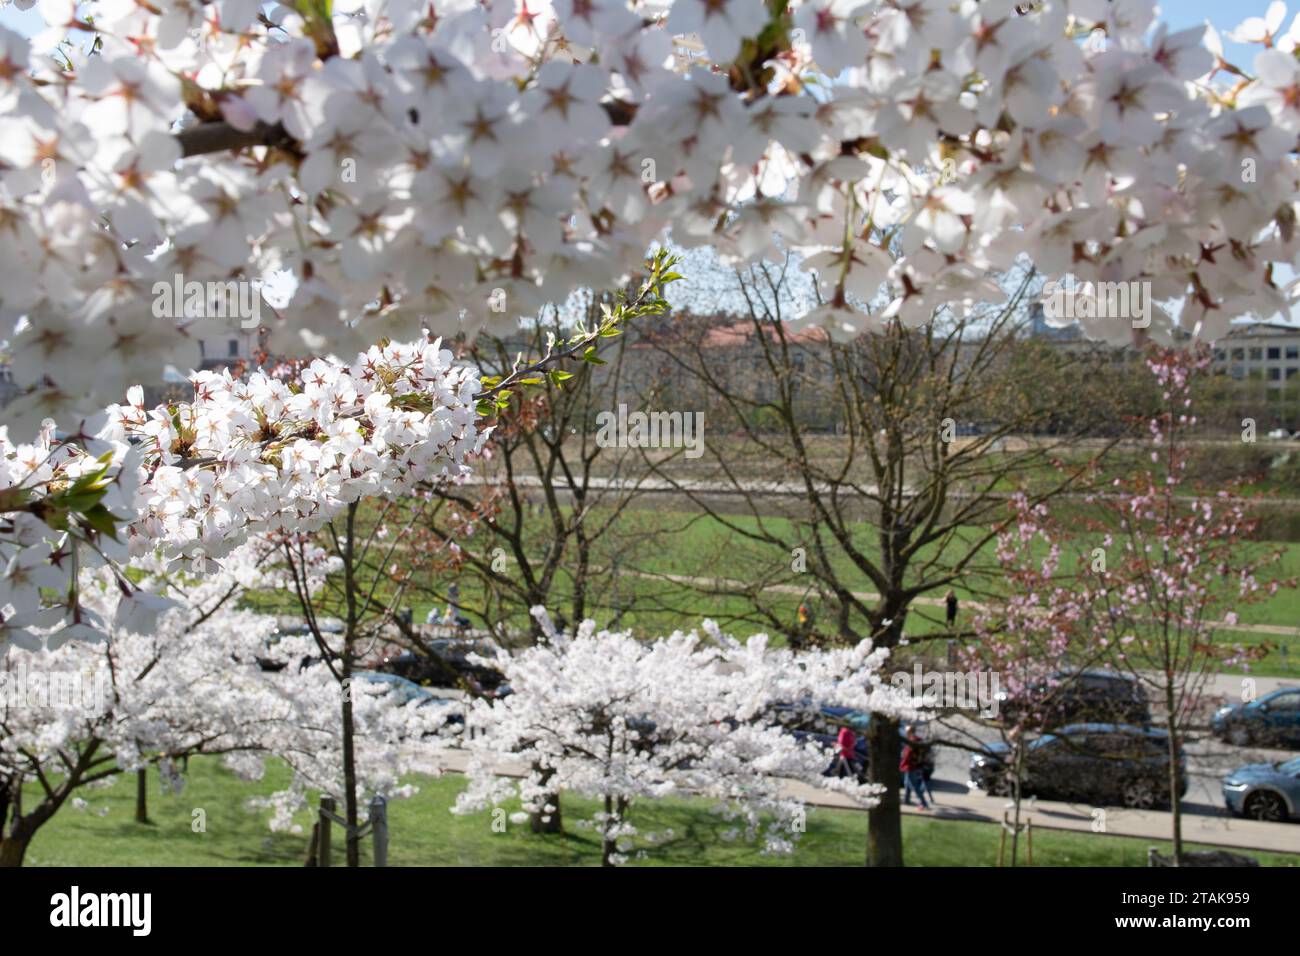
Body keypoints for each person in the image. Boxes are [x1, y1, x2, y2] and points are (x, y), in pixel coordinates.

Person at [900, 725, 930, 810]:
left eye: (906, 731)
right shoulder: (915, 740)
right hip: (911, 765)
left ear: (909, 731)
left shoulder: (912, 741)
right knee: (907, 783)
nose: (905, 733)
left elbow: (907, 754)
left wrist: (903, 763)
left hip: (910, 766)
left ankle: (923, 803)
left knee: (914, 785)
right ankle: (906, 799)